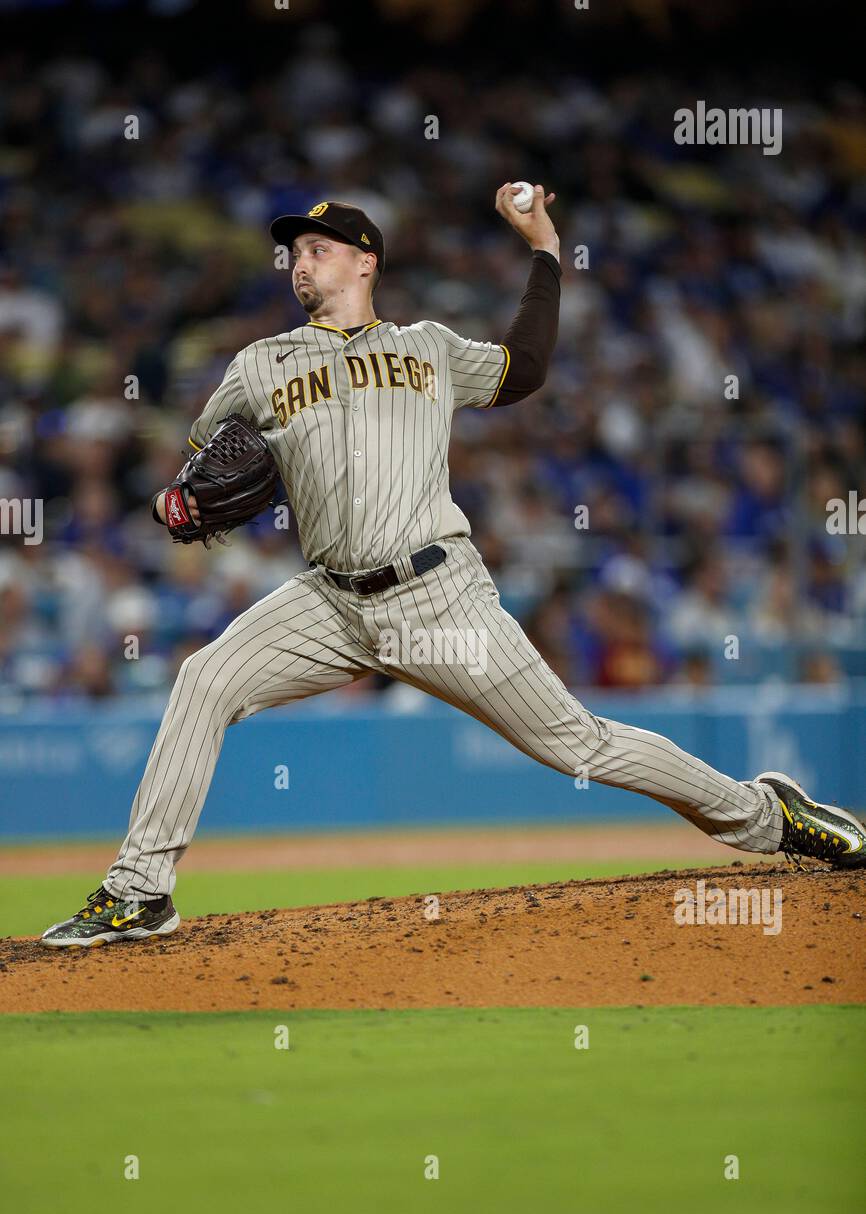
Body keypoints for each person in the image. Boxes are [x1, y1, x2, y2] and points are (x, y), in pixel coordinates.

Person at [42, 188, 865, 946]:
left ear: (366, 261)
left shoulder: (427, 348)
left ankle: (768, 816)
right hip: (330, 603)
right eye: (294, 250)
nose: (301, 260)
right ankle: (141, 887)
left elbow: (526, 368)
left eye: (319, 247)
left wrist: (544, 251)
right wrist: (171, 506)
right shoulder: (258, 365)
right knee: (203, 680)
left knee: (580, 743)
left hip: (441, 602)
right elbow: (192, 479)